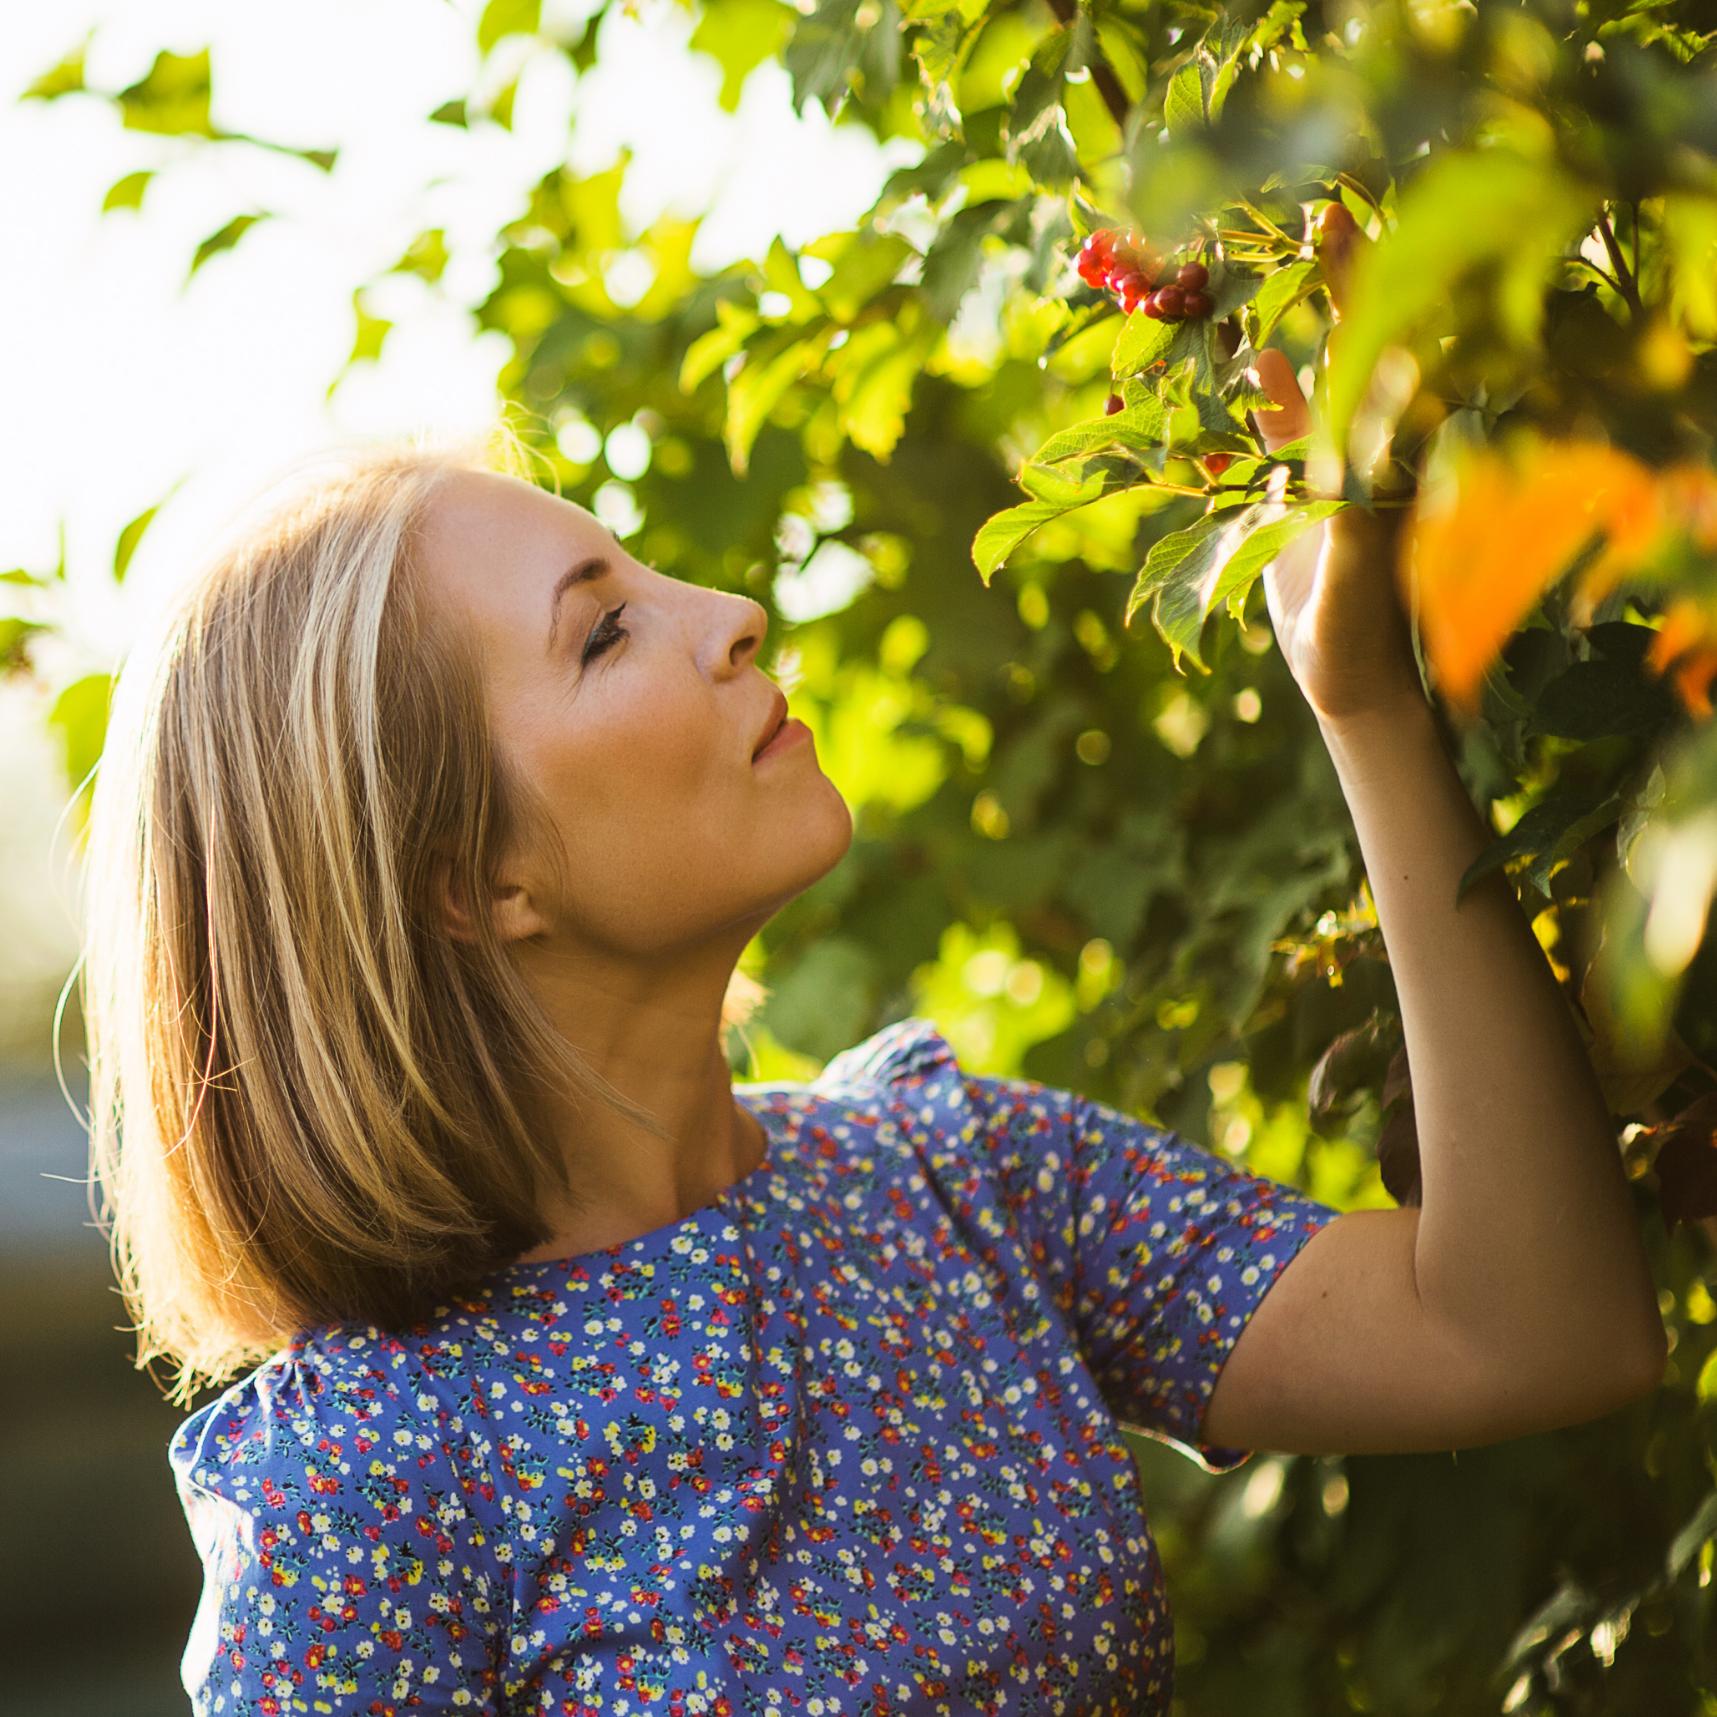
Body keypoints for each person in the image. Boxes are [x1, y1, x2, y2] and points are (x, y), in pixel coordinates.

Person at [79, 206, 1666, 1717]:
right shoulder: (372, 1484)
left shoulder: (954, 1176)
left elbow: (1536, 1328)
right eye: (604, 631)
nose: (733, 612)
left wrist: (1365, 703)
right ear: (465, 880)